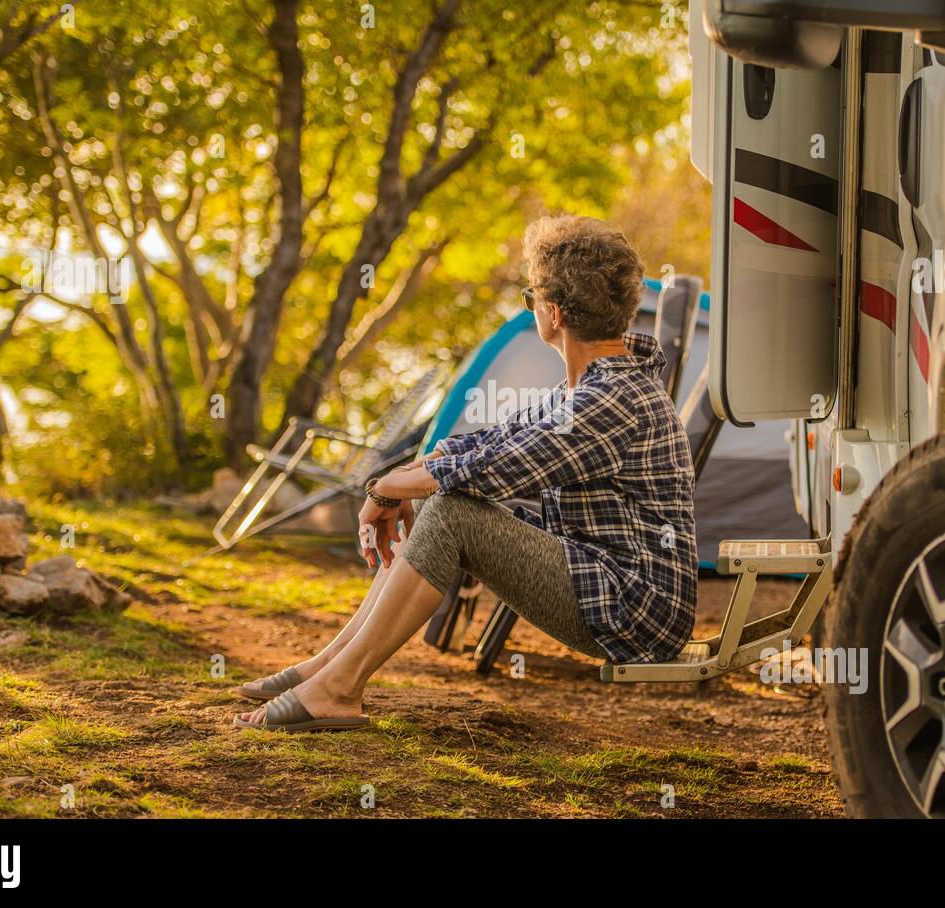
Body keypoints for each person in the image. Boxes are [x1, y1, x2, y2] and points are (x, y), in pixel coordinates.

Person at [235, 215, 698, 732]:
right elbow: (486, 442)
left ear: (554, 313)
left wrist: (386, 488)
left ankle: (339, 687)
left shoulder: (613, 399)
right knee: (443, 495)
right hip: (601, 582)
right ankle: (330, 667)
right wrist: (400, 478)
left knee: (451, 508)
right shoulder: (588, 388)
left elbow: (497, 469)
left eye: (531, 299)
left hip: (633, 609)